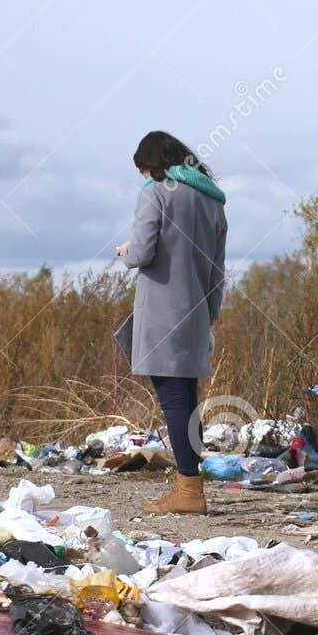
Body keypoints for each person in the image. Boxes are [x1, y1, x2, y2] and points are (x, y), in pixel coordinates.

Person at [115, 131, 228, 514]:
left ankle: (189, 491)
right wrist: (210, 315)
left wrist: (127, 253)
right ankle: (189, 485)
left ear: (153, 164)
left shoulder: (156, 191)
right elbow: (217, 270)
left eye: (144, 169)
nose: (143, 176)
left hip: (163, 310)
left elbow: (144, 250)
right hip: (196, 310)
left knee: (175, 400)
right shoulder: (212, 200)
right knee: (187, 399)